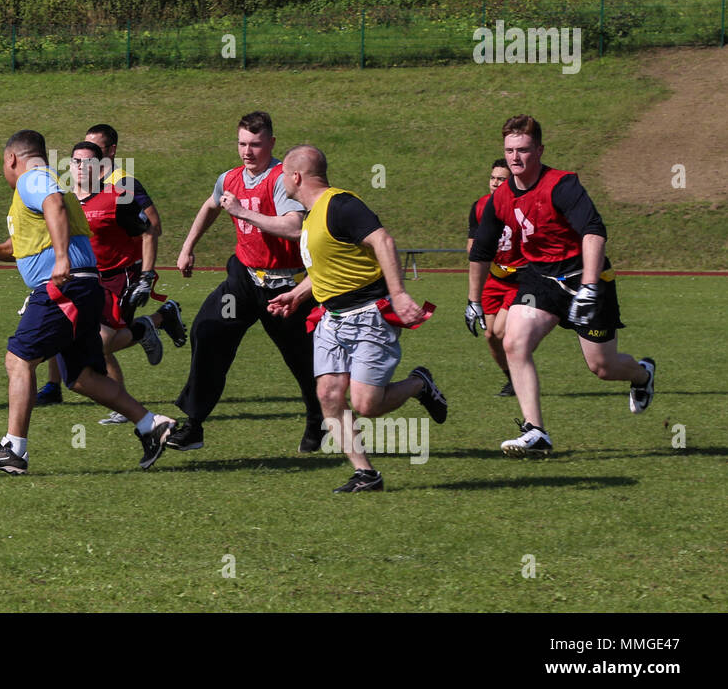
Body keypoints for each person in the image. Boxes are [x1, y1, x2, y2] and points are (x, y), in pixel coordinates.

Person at [0, 130, 175, 474]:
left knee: (18, 360)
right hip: (83, 286)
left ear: (11, 159)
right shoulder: (49, 182)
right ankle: (151, 425)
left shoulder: (32, 179)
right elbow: (33, 241)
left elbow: (55, 205)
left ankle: (13, 450)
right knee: (82, 377)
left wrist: (62, 258)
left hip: (63, 287)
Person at [468, 115, 655, 458]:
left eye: (523, 150)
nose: (515, 158)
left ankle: (642, 375)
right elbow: (480, 251)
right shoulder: (500, 199)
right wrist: (472, 300)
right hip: (540, 278)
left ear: (539, 150)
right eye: (509, 150)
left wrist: (588, 287)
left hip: (587, 278)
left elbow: (594, 231)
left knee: (602, 367)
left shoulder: (562, 185)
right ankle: (536, 431)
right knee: (514, 342)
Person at [262, 147, 447, 492]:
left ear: (296, 177)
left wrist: (401, 293)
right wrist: (296, 295)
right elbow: (327, 270)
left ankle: (420, 384)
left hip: (369, 315)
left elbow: (383, 240)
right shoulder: (311, 214)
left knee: (366, 404)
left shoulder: (341, 205)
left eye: (282, 174)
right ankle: (366, 474)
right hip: (331, 318)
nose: (280, 181)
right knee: (329, 395)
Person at [168, 111, 323, 453]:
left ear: (271, 143)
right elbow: (211, 206)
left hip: (287, 286)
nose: (247, 151)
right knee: (207, 331)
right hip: (244, 278)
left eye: (255, 144)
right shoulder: (230, 178)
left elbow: (295, 226)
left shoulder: (284, 179)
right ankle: (194, 425)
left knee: (302, 360)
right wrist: (187, 247)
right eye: (242, 143)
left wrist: (241, 213)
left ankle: (318, 419)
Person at [60, 129, 187, 426]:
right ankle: (155, 323)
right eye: (76, 161)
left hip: (121, 278)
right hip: (88, 281)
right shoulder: (62, 199)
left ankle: (150, 325)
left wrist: (145, 277)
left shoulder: (118, 196)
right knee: (86, 340)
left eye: (88, 162)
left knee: (99, 343)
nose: (81, 167)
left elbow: (149, 230)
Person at [466, 158, 523, 396]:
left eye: (502, 179)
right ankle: (514, 380)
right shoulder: (480, 207)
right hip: (494, 279)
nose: (495, 183)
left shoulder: (522, 205)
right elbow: (472, 247)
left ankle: (522, 375)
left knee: (500, 331)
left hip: (520, 280)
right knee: (491, 336)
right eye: (493, 178)